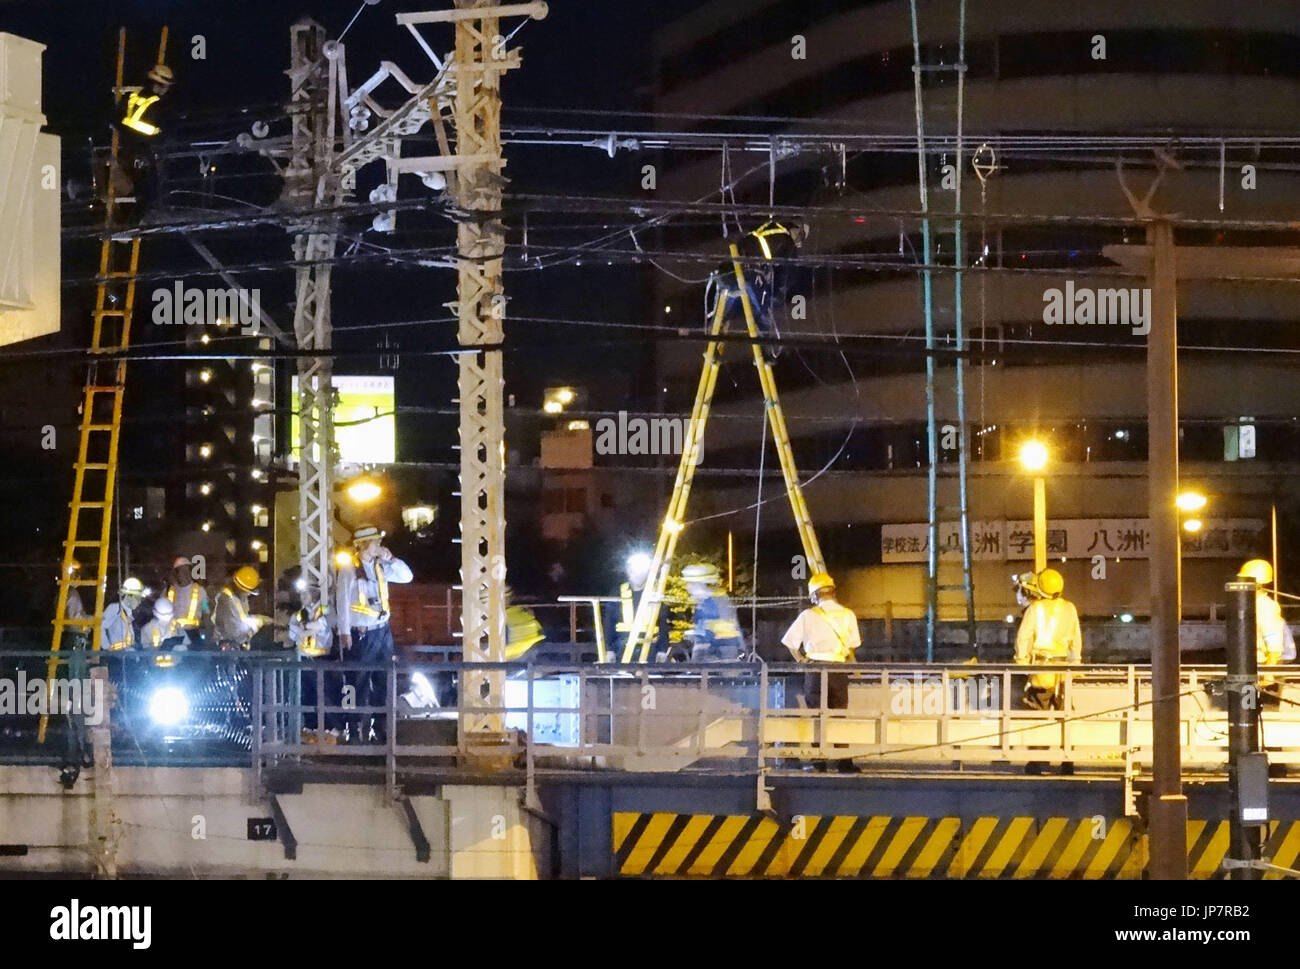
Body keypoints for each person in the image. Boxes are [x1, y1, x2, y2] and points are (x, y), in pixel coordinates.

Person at [335, 526, 413, 744]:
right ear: (363, 545)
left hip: (381, 632)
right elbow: (342, 601)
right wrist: (343, 632)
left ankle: (380, 728)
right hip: (360, 634)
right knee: (354, 682)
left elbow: (407, 577)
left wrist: (392, 559)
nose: (378, 545)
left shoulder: (380, 566)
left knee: (383, 681)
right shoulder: (350, 568)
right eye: (374, 542)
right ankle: (353, 729)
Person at [781, 573, 861, 772]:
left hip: (815, 669)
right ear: (833, 592)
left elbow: (790, 643)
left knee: (818, 715)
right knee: (839, 714)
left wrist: (802, 660)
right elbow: (853, 645)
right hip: (839, 669)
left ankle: (819, 763)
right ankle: (844, 762)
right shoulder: (847, 614)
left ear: (815, 595)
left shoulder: (808, 615)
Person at [1013, 567, 1082, 710]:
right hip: (1063, 671)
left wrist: (1022, 662)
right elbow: (1076, 640)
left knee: (1036, 712)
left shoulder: (1035, 608)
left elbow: (1023, 638)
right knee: (1066, 713)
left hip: (1041, 671)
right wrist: (1076, 663)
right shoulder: (1070, 608)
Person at [289, 601, 335, 742]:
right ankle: (310, 728)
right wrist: (309, 629)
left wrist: (307, 627)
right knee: (307, 694)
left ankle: (328, 728)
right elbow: (293, 634)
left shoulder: (326, 608)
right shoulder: (298, 614)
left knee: (325, 694)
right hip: (304, 659)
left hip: (322, 658)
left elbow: (327, 623)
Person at [680, 563, 745, 662]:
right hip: (710, 649)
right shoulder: (702, 603)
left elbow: (725, 629)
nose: (688, 588)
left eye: (691, 584)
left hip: (723, 650)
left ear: (700, 584)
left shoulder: (717, 600)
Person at [1239, 559, 1285, 688]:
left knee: (1252, 706)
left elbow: (1274, 644)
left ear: (1257, 584)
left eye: (1245, 582)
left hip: (1261, 669)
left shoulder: (1265, 607)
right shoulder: (1250, 605)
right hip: (1248, 666)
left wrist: (1268, 674)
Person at [213, 566, 265, 650]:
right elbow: (234, 632)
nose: (248, 594)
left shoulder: (238, 599)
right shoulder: (228, 600)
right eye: (248, 592)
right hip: (229, 647)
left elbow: (242, 619)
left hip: (235, 644)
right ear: (241, 589)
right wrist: (254, 627)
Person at [166, 555, 210, 649]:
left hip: (193, 634)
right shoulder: (171, 591)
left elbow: (206, 610)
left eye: (187, 570)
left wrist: (208, 631)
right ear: (176, 573)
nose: (185, 574)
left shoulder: (200, 591)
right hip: (174, 634)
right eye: (182, 571)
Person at [140, 596, 186, 669]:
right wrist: (159, 648)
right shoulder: (147, 628)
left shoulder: (177, 626)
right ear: (155, 612)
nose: (166, 618)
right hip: (155, 667)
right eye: (164, 615)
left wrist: (178, 647)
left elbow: (186, 646)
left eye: (169, 614)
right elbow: (145, 649)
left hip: (175, 667)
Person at [101, 577, 144, 653]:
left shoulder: (128, 612)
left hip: (128, 654)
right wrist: (107, 647)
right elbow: (100, 627)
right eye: (138, 598)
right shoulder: (115, 608)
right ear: (129, 596)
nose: (139, 602)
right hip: (118, 655)